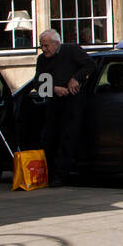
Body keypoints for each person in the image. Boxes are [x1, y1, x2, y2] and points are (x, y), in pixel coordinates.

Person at [36, 29, 96, 186]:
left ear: (56, 44)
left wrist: (75, 79)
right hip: (54, 103)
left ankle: (60, 175)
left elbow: (91, 65)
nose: (44, 49)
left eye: (47, 46)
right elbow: (38, 84)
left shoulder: (71, 51)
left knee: (67, 138)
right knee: (48, 138)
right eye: (42, 46)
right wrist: (55, 89)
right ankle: (47, 174)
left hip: (72, 102)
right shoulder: (42, 60)